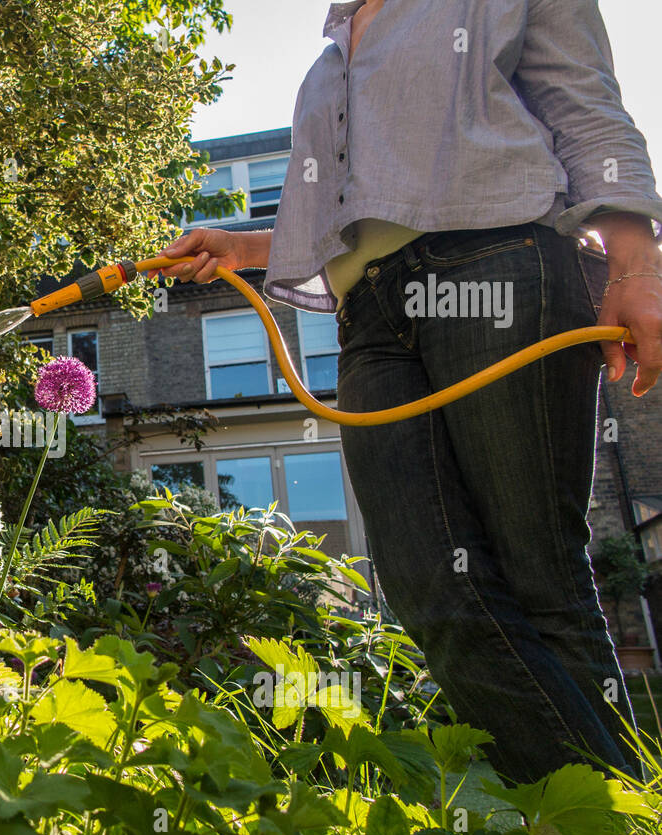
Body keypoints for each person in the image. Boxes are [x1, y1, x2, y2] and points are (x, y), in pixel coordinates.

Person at [152, 0, 662, 784]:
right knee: (433, 590)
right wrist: (243, 246)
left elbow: (585, 106)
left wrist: (634, 265)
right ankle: (594, 823)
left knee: (540, 577)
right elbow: (355, 212)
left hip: (500, 265)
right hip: (372, 318)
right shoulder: (331, 60)